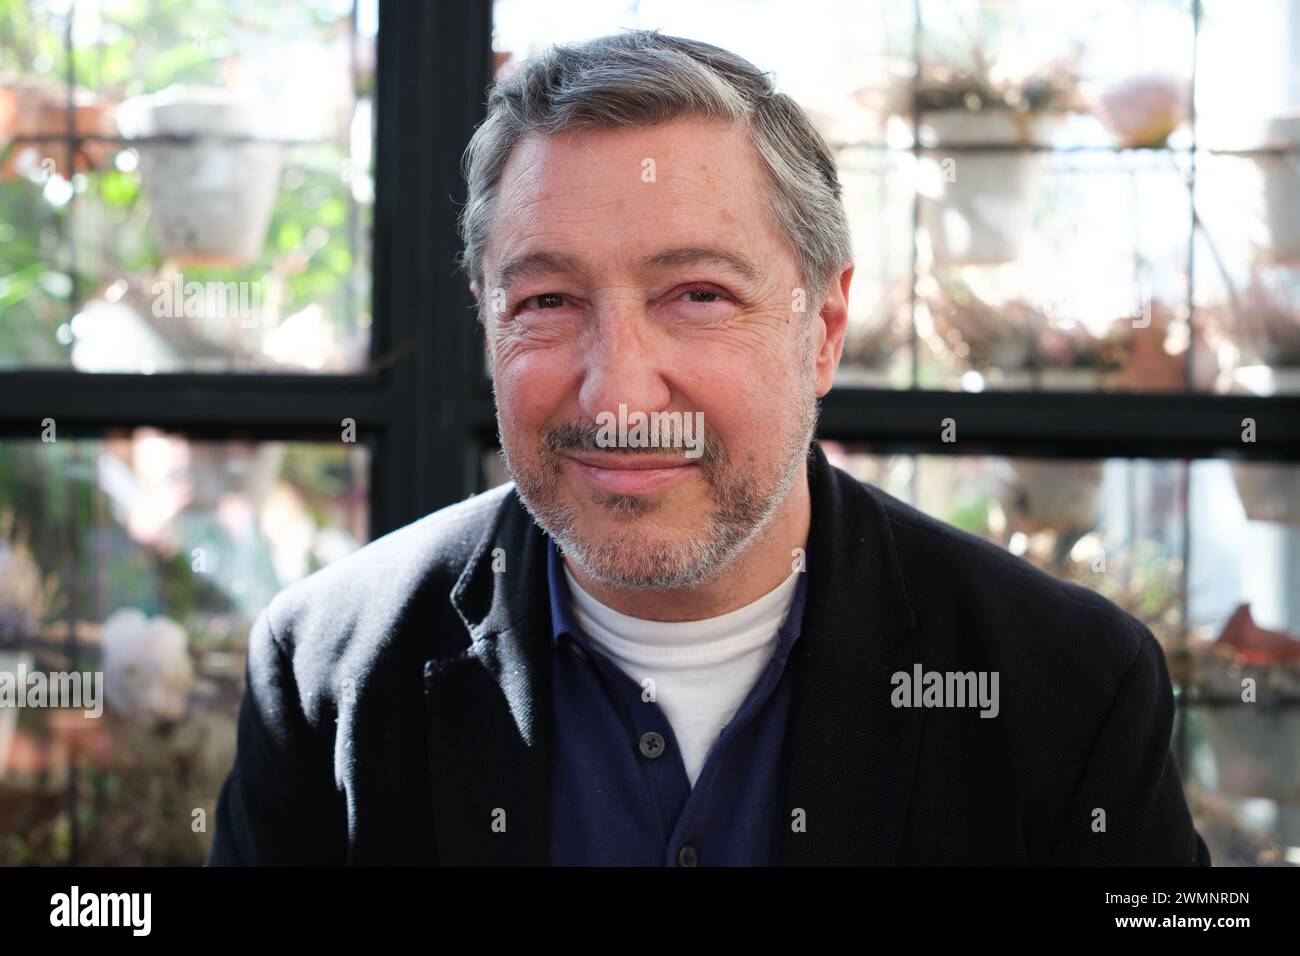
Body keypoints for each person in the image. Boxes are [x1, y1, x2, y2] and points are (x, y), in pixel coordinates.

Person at [209, 30, 1209, 866]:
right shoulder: (327, 676)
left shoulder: (1064, 684)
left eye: (696, 295)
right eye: (547, 301)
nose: (619, 390)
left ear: (820, 327)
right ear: (485, 323)